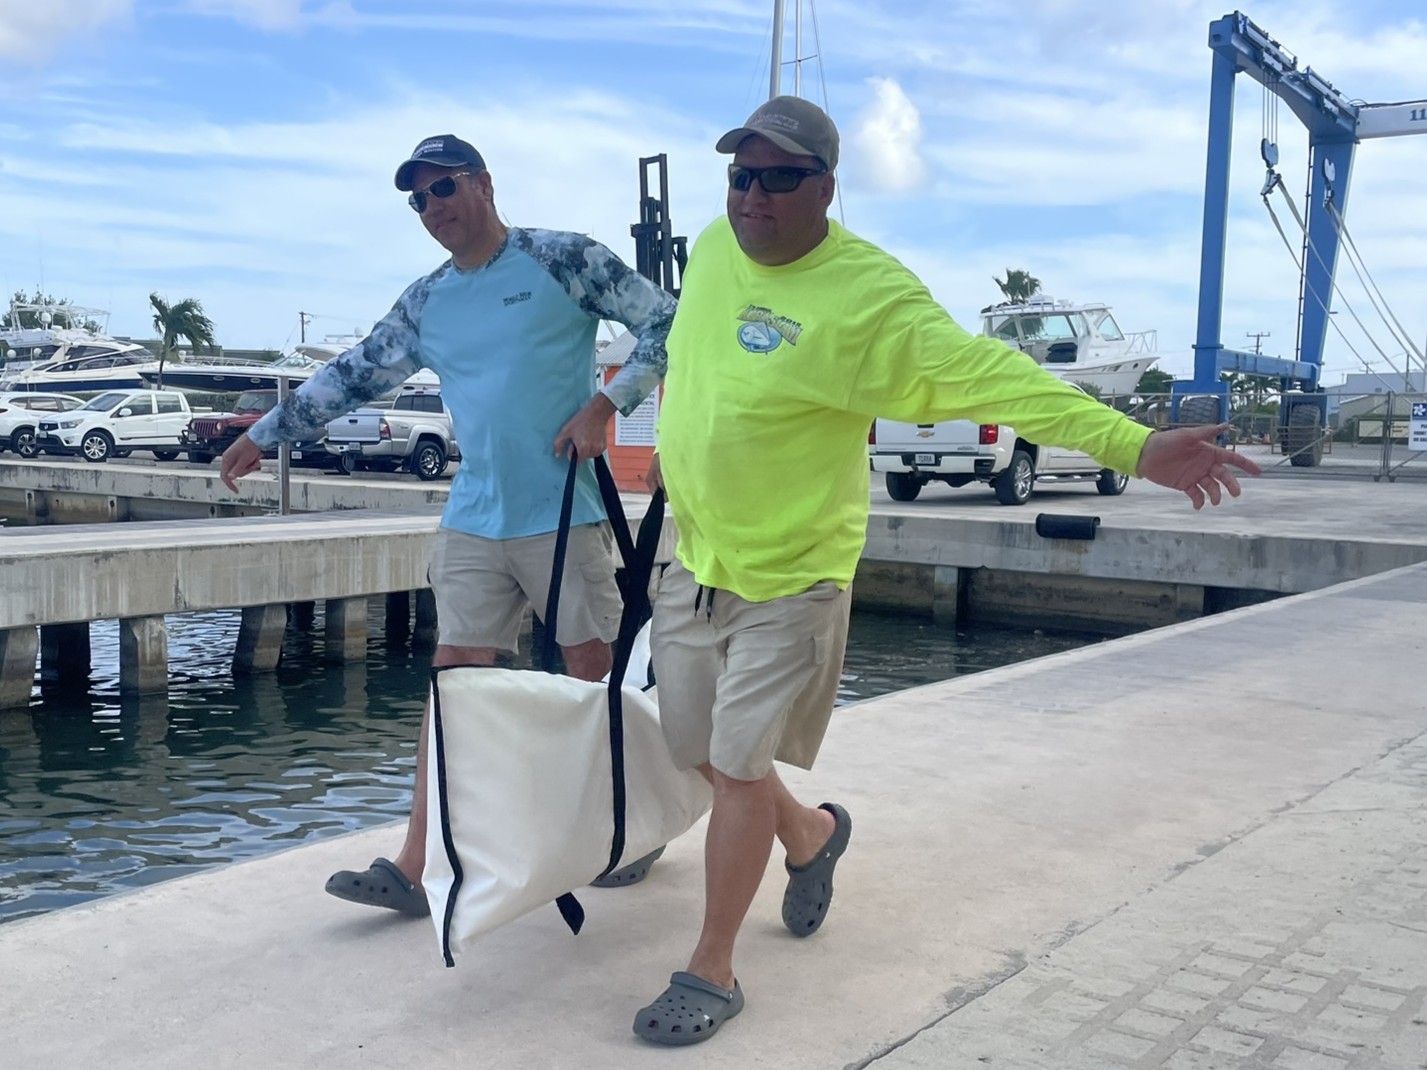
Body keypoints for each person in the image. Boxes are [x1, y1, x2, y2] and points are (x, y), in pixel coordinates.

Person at [630, 96, 1263, 1046]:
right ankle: (810, 837)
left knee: (738, 765)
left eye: (779, 178)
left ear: (826, 189)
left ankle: (711, 965)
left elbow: (997, 376)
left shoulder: (874, 301)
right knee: (704, 759)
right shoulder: (717, 250)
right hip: (695, 559)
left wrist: (1130, 445)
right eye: (740, 176)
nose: (753, 196)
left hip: (795, 573)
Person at [220, 134, 677, 913]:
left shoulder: (560, 257)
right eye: (418, 199)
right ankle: (419, 860)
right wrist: (264, 432)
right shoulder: (428, 298)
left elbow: (669, 322)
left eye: (443, 189)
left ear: (483, 185)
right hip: (474, 512)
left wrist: (606, 406)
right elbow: (356, 371)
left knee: (591, 673)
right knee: (455, 681)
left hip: (562, 508)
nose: (431, 208)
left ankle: (631, 828)